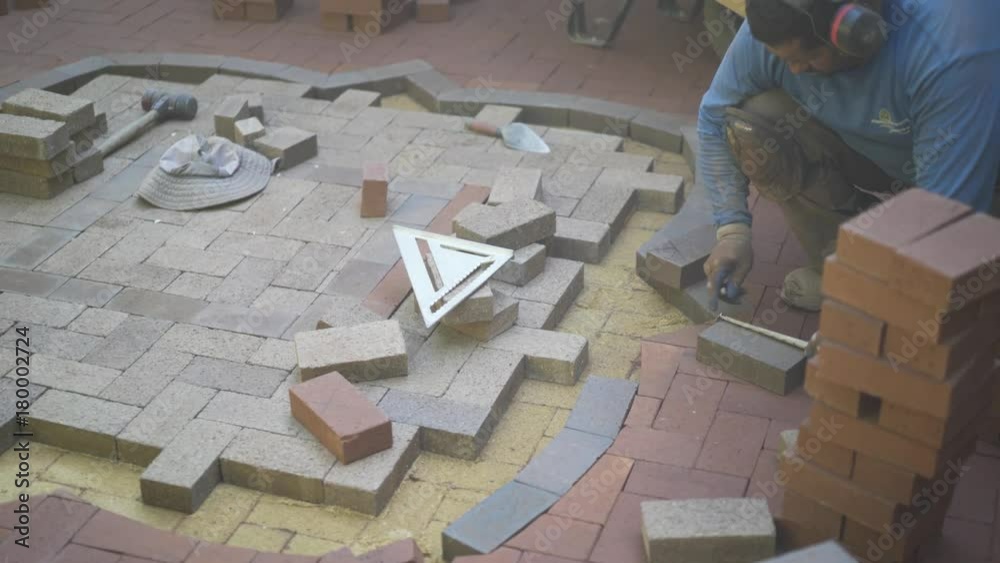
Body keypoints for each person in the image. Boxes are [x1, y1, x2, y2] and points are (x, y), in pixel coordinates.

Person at [698, 0, 1000, 312]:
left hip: (983, 173)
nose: (796, 69)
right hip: (890, 149)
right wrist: (732, 231)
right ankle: (846, 270)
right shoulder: (786, 18)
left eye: (809, 57)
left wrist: (875, 334)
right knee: (759, 122)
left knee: (960, 283)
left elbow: (945, 218)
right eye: (786, 59)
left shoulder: (949, 47)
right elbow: (713, 119)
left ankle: (879, 290)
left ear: (859, 31)